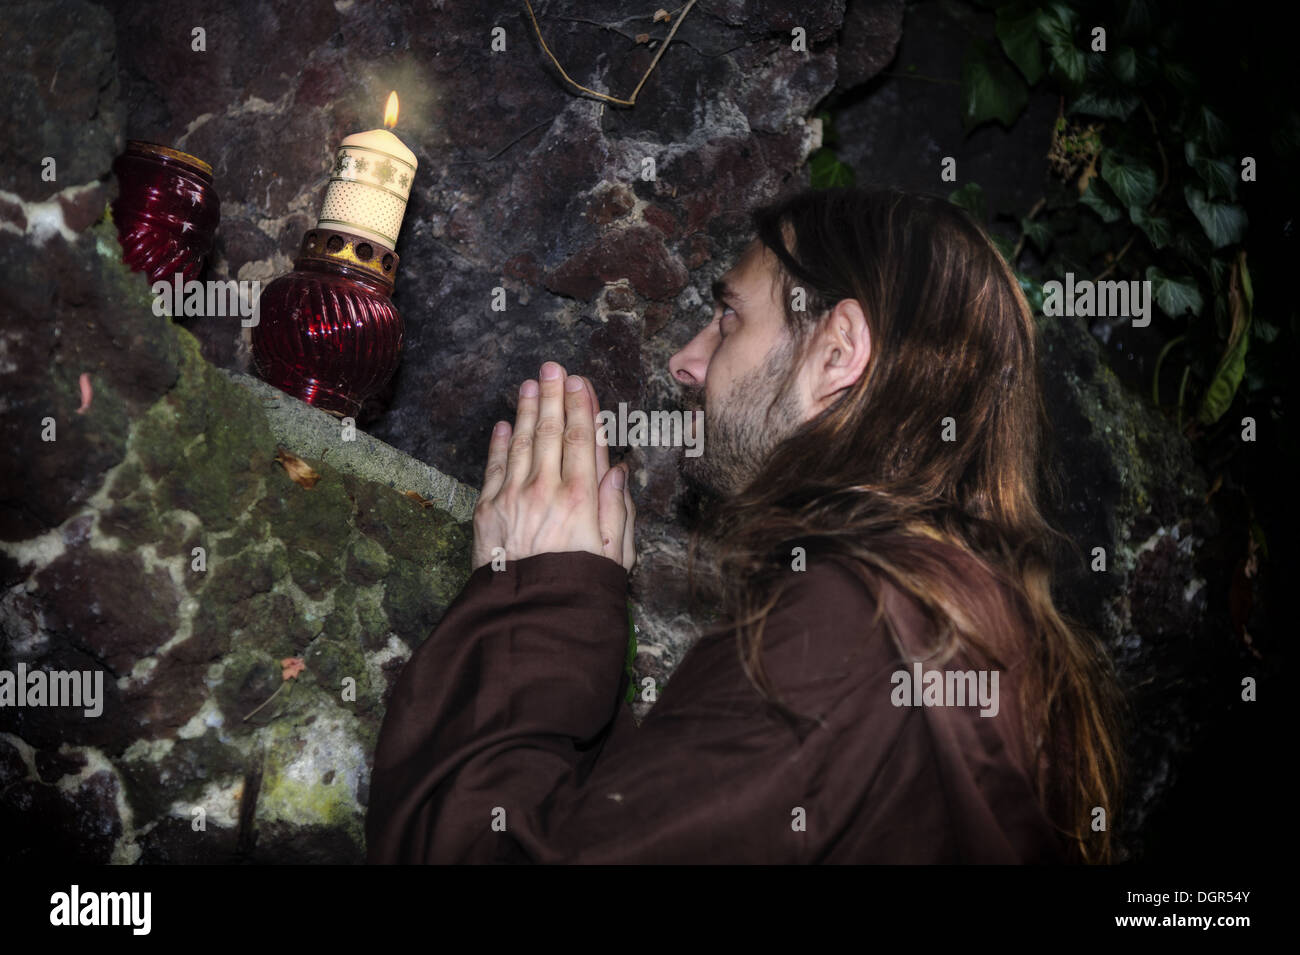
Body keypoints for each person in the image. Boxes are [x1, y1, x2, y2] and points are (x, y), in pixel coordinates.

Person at [365, 186, 1125, 864]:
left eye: (729, 315)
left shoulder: (851, 630)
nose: (687, 361)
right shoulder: (983, 635)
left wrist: (538, 603)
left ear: (837, 351)